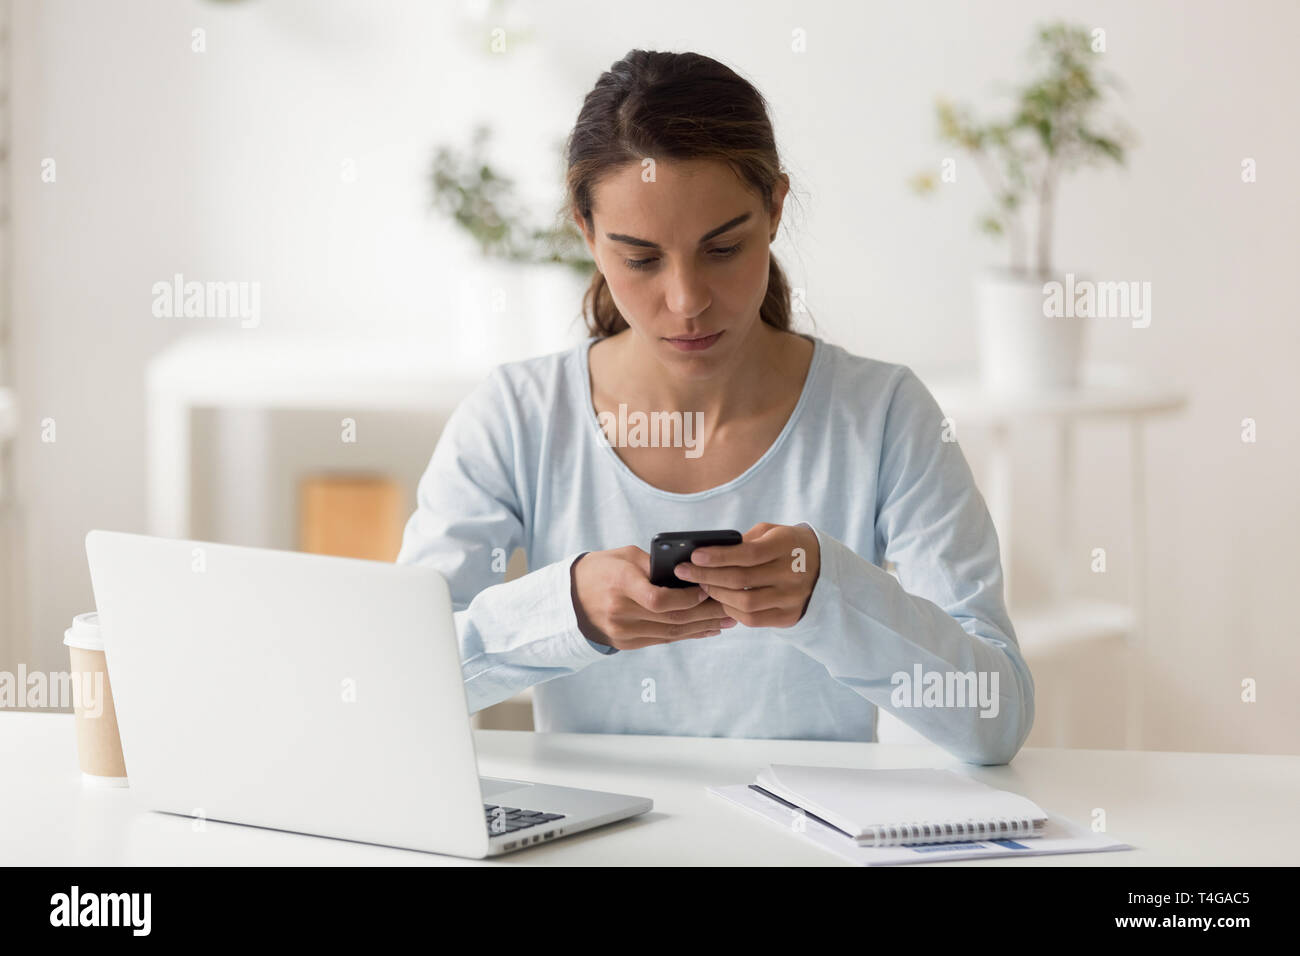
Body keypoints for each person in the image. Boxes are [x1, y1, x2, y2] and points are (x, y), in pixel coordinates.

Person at [397, 50, 1034, 765]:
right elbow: (399, 681)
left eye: (723, 248)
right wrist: (566, 612)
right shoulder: (516, 416)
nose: (687, 300)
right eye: (641, 259)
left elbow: (994, 717)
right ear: (585, 231)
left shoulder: (882, 414)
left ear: (775, 208)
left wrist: (832, 596)